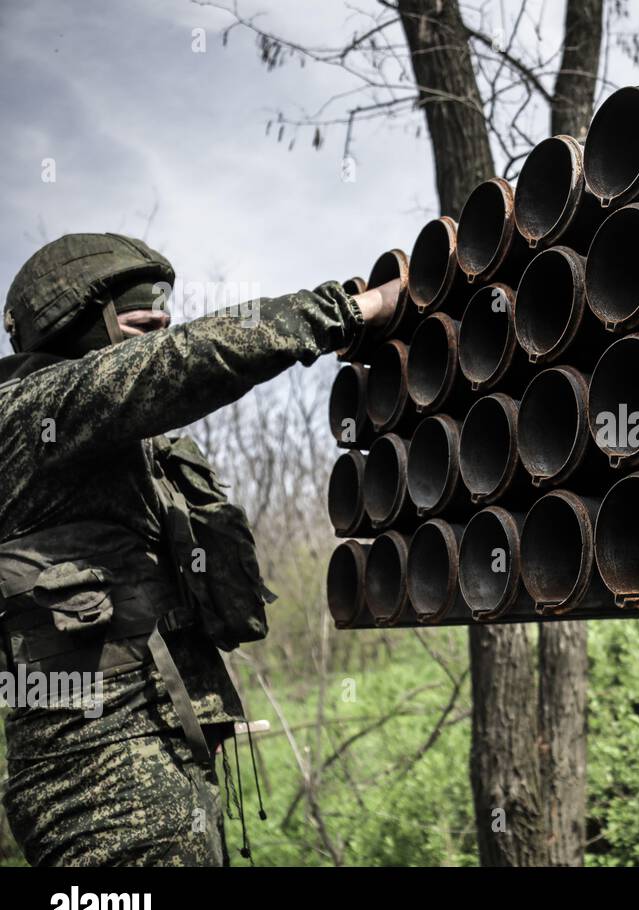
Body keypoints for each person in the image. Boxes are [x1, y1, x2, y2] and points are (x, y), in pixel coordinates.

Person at [0, 233, 399, 865]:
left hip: (159, 769)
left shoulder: (114, 454)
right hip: (100, 792)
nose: (159, 335)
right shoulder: (30, 411)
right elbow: (187, 359)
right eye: (139, 325)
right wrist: (351, 308)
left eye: (163, 321)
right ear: (74, 330)